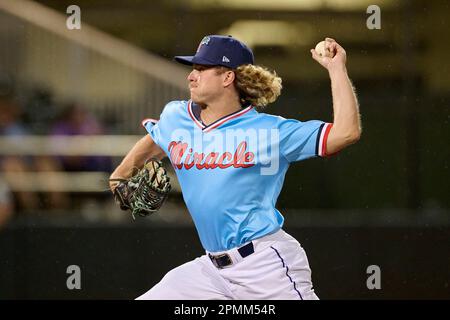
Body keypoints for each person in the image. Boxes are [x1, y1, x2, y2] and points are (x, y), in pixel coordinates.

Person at [109, 35, 361, 300]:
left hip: (264, 266)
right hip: (210, 273)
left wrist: (336, 69)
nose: (191, 76)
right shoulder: (177, 117)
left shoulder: (269, 132)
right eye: (193, 68)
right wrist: (119, 180)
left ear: (228, 77)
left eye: (201, 69)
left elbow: (346, 133)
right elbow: (154, 141)